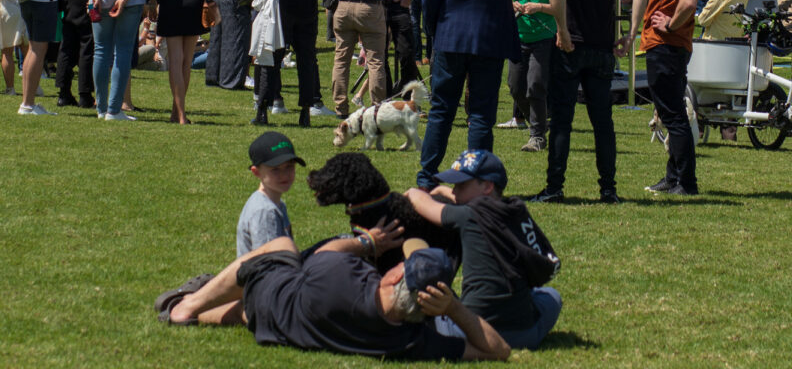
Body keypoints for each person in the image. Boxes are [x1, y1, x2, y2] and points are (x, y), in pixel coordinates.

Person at [163, 234, 508, 361]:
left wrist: (367, 242)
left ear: (396, 274)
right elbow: (498, 350)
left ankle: (189, 305)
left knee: (282, 248)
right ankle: (187, 304)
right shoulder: (409, 340)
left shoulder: (342, 278)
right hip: (281, 328)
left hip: (276, 297)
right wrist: (455, 308)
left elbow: (325, 252)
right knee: (247, 312)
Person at [417, 0, 527, 189]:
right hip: (490, 37)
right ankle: (478, 177)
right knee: (481, 113)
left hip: (450, 33)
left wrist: (433, 30)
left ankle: (426, 177)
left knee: (441, 110)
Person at [404, 151, 562, 350]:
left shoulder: (469, 215)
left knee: (430, 317)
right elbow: (455, 196)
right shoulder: (512, 211)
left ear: (487, 186)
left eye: (461, 185)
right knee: (551, 296)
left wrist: (413, 193)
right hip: (525, 334)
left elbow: (423, 203)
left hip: (470, 331)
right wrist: (444, 191)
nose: (455, 192)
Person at [628, 0, 702, 197]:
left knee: (673, 116)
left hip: (667, 45)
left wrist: (670, 24)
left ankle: (685, 182)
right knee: (671, 113)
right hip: (674, 45)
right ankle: (673, 178)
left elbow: (688, 0)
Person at [507, 0, 556, 152]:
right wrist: (512, 3)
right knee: (515, 87)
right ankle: (539, 123)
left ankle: (537, 135)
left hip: (544, 37)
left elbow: (561, 6)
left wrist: (539, 7)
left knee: (535, 84)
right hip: (518, 35)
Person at [238, 131, 305, 256]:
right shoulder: (264, 211)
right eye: (275, 169)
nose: (284, 175)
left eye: (289, 167)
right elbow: (269, 263)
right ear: (256, 172)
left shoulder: (277, 204)